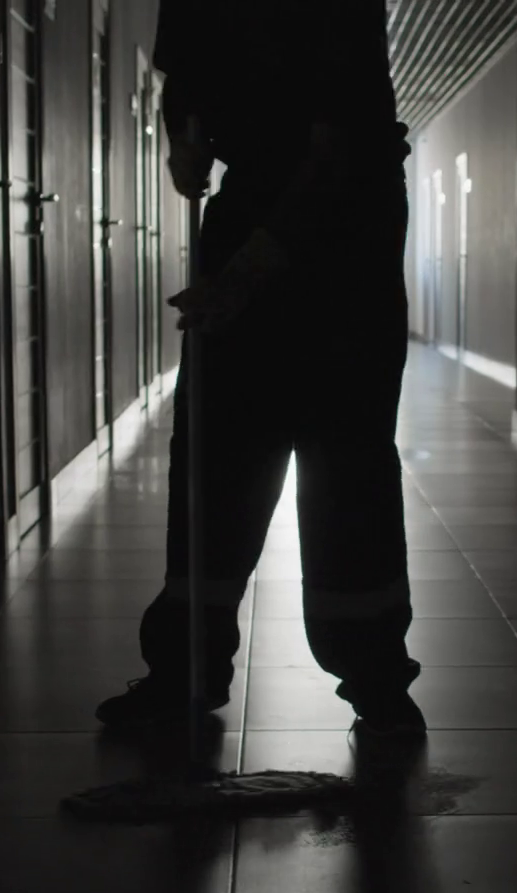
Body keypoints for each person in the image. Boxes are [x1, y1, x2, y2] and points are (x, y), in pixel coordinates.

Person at [96, 0, 426, 739]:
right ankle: (184, 671)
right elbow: (180, 81)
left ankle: (375, 678)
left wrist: (250, 272)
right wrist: (180, 140)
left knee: (344, 457)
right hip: (250, 201)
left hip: (348, 221)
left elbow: (341, 147)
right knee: (216, 451)